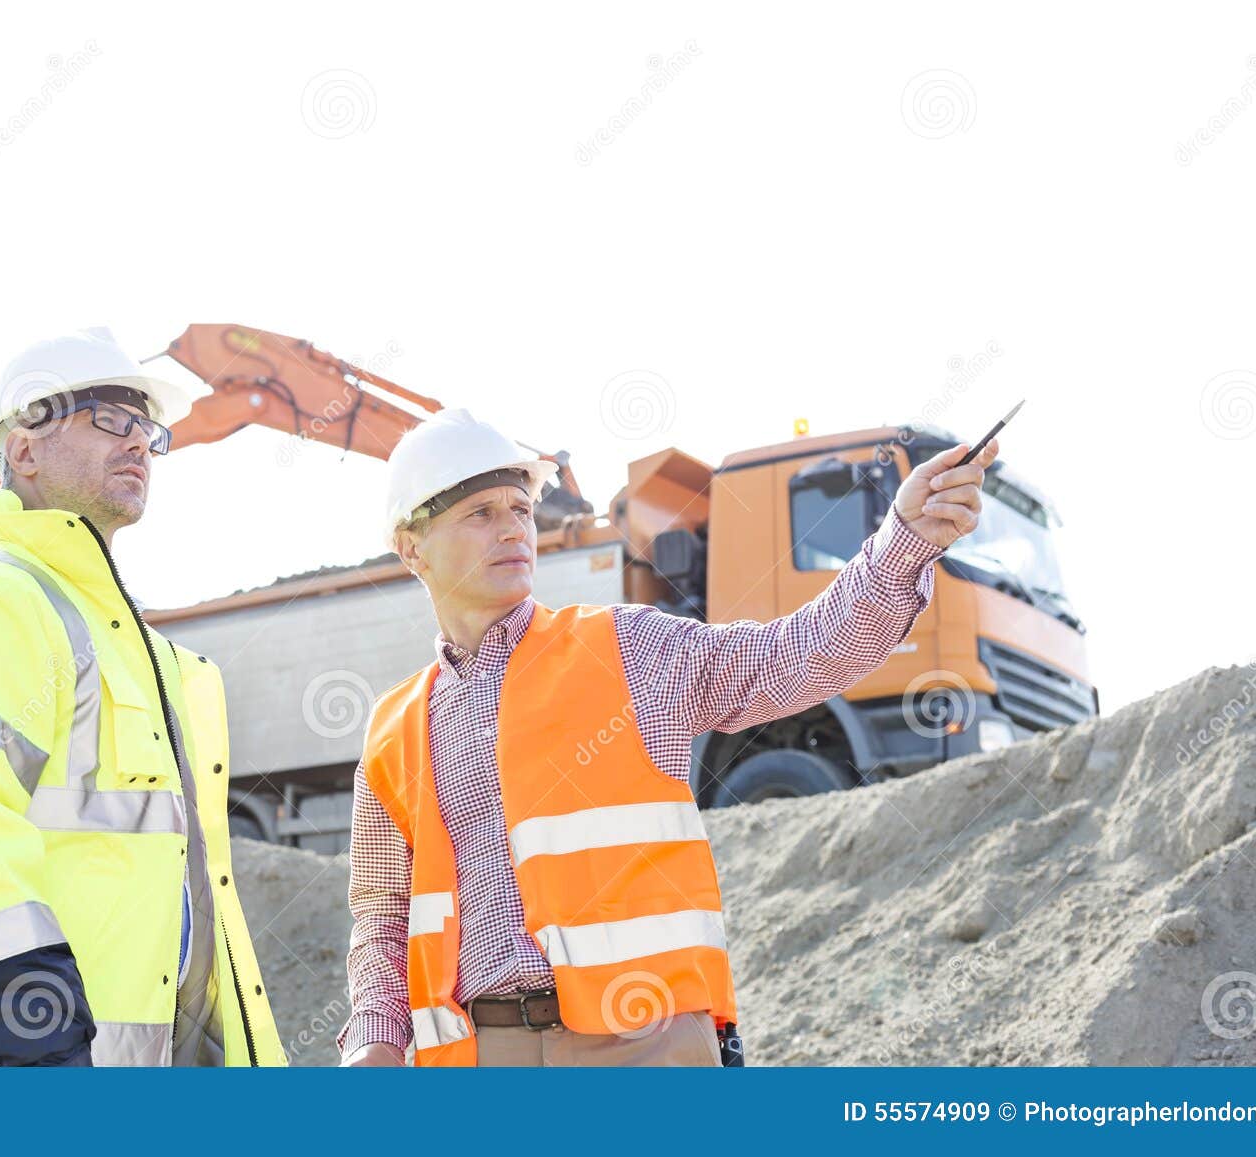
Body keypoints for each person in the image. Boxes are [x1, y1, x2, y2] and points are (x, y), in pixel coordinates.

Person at [338, 408, 998, 1066]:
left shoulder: (625, 648)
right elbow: (381, 916)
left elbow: (797, 654)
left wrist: (903, 540)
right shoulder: (396, 729)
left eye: (520, 508)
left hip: (646, 1047)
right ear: (412, 548)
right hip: (482, 1060)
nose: (513, 528)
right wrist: (374, 1037)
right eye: (480, 513)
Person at [0, 327, 284, 1066]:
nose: (138, 440)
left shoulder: (143, 654)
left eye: (148, 428)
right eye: (109, 417)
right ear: (24, 450)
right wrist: (45, 1048)